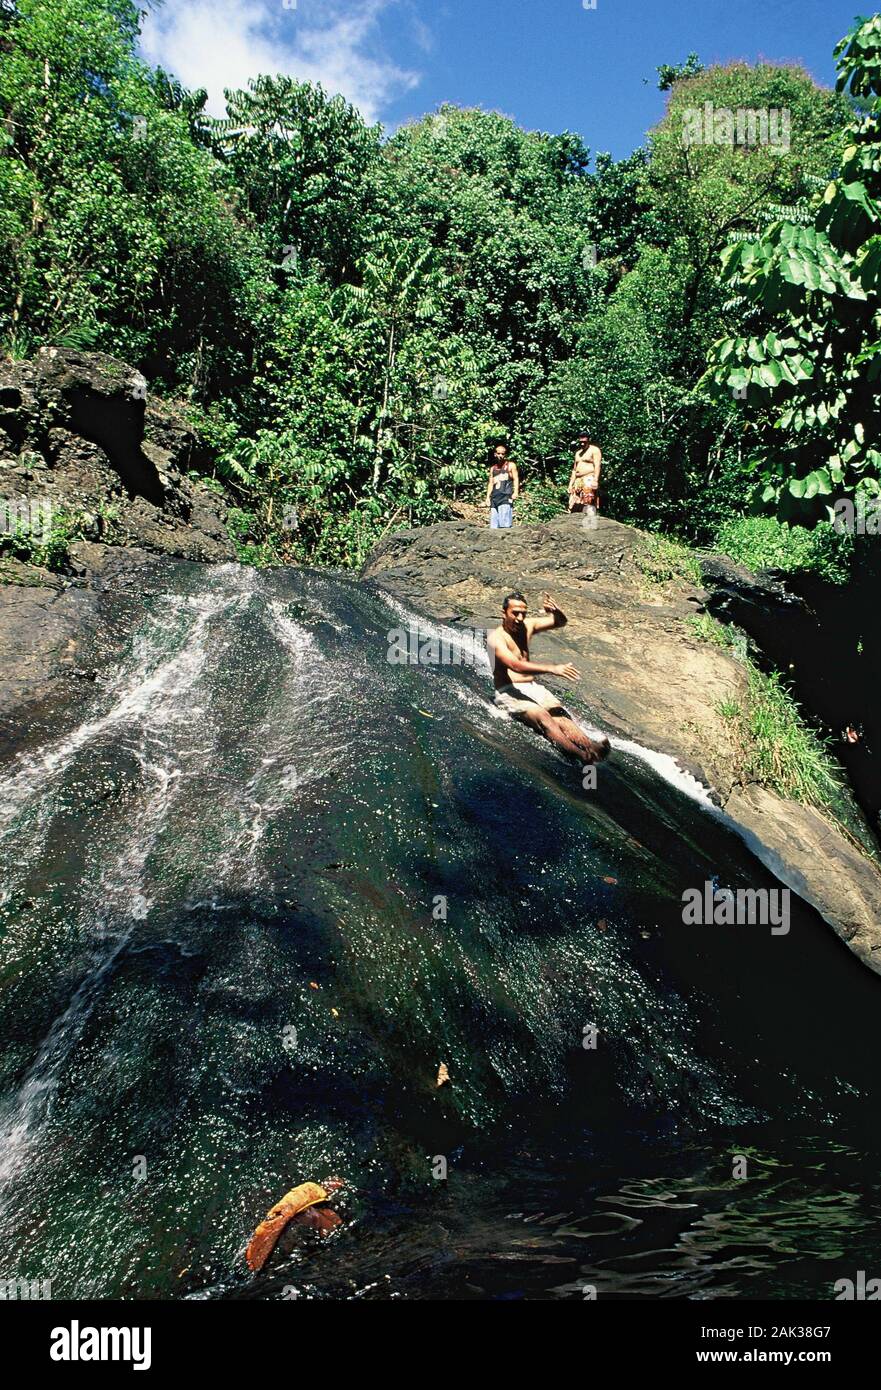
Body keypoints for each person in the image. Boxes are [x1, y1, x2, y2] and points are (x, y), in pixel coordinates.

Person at [488, 591, 610, 762]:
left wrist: (555, 612)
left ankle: (591, 747)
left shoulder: (527, 626)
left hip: (532, 688)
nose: (520, 618)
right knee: (544, 717)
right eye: (515, 613)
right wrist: (552, 669)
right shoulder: (496, 638)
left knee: (559, 714)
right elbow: (515, 665)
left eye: (523, 613)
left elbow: (560, 622)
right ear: (504, 613)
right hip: (508, 691)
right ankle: (582, 755)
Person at [486, 443, 519, 528]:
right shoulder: (493, 468)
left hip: (505, 497)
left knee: (505, 525)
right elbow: (490, 483)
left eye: (502, 454)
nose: (500, 455)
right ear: (495, 454)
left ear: (505, 454)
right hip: (495, 498)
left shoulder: (510, 465)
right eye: (498, 453)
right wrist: (487, 497)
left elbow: (516, 478)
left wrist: (515, 492)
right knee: (493, 527)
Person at [568, 432, 602, 514]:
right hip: (578, 480)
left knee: (588, 501)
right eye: (581, 442)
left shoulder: (594, 450)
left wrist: (595, 480)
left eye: (584, 442)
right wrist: (570, 484)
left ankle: (589, 523)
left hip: (589, 478)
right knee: (573, 504)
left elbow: (597, 465)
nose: (582, 444)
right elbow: (574, 470)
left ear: (589, 440)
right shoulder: (578, 453)